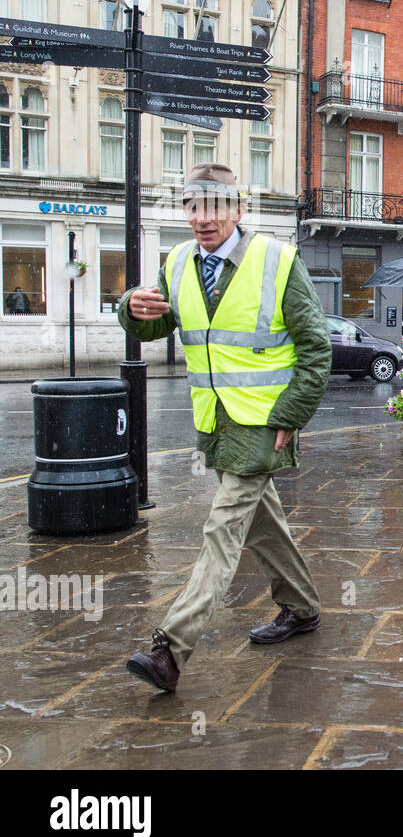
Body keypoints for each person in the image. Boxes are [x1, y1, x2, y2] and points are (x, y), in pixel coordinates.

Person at [118, 163, 331, 693]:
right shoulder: (177, 261)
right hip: (215, 422)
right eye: (193, 206)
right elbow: (157, 326)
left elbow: (316, 348)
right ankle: (302, 608)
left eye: (214, 206)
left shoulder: (277, 260)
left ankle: (170, 649)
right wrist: (130, 308)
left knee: (223, 528)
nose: (202, 218)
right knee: (260, 523)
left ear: (239, 208)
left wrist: (290, 414)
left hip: (264, 421)